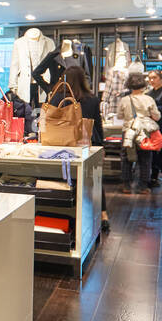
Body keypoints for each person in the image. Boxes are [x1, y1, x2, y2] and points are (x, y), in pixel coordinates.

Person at [65, 67, 109, 231]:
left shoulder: (63, 98)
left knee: (72, 177)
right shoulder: (92, 99)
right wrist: (102, 146)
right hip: (91, 142)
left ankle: (77, 214)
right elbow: (98, 124)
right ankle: (103, 214)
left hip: (68, 143)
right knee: (96, 179)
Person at [118, 71, 160, 194]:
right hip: (144, 133)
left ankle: (126, 185)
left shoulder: (125, 100)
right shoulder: (149, 99)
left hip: (128, 132)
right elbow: (156, 116)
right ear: (143, 84)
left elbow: (120, 116)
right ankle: (143, 186)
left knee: (126, 158)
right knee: (145, 158)